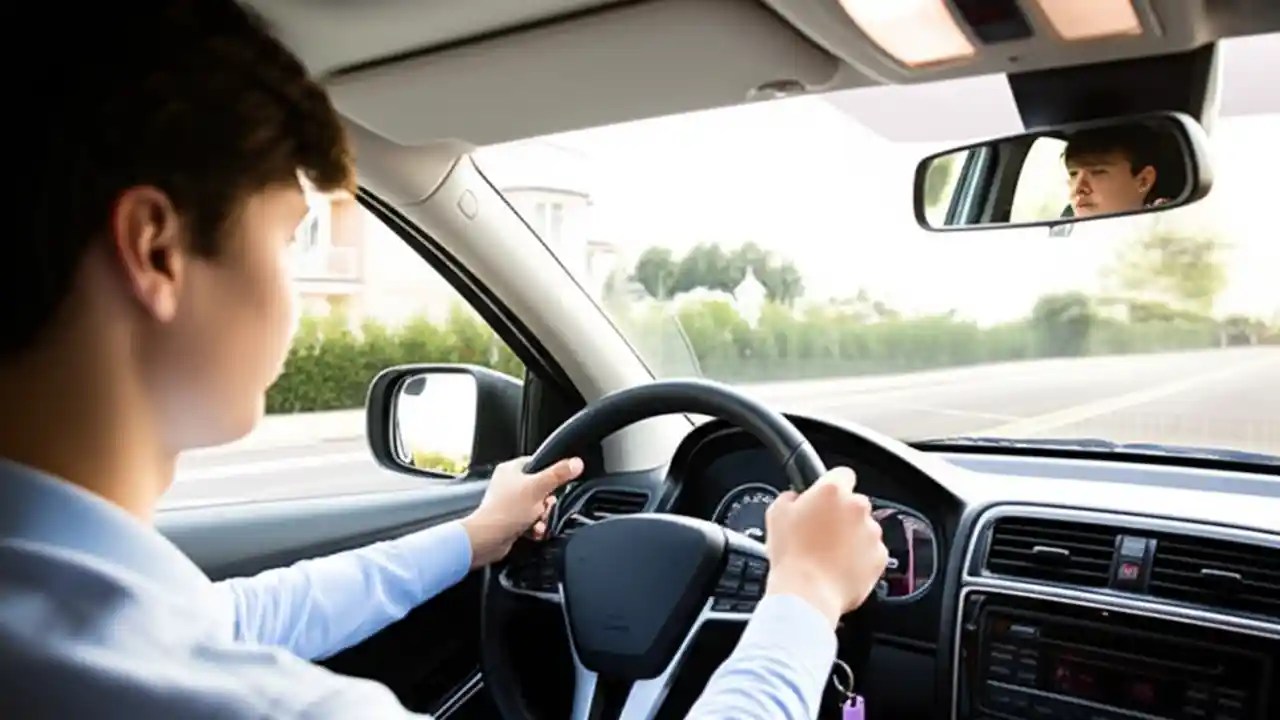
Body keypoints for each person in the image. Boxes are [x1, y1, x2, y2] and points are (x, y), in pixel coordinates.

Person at [0, 2, 888, 719]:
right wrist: (803, 598)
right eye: (285, 236)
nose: (292, 291)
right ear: (156, 250)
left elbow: (240, 616)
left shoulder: (66, 612)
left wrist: (469, 538)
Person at [1063, 124, 1170, 217]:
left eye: (1097, 172)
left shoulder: (1167, 228)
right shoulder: (1065, 231)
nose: (1078, 189)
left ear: (1143, 181)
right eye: (1073, 174)